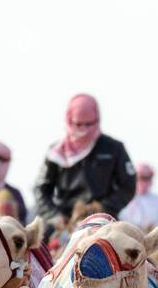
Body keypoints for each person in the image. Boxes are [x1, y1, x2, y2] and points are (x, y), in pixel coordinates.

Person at [35, 94, 134, 225]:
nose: (84, 130)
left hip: (104, 219)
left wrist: (103, 206)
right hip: (64, 220)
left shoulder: (114, 148)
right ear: (69, 120)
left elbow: (129, 184)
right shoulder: (56, 152)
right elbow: (41, 188)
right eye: (79, 124)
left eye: (89, 124)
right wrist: (54, 215)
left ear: (97, 119)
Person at [118, 163, 158, 228]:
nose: (144, 181)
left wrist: (153, 226)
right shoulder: (122, 197)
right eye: (141, 177)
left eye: (148, 178)